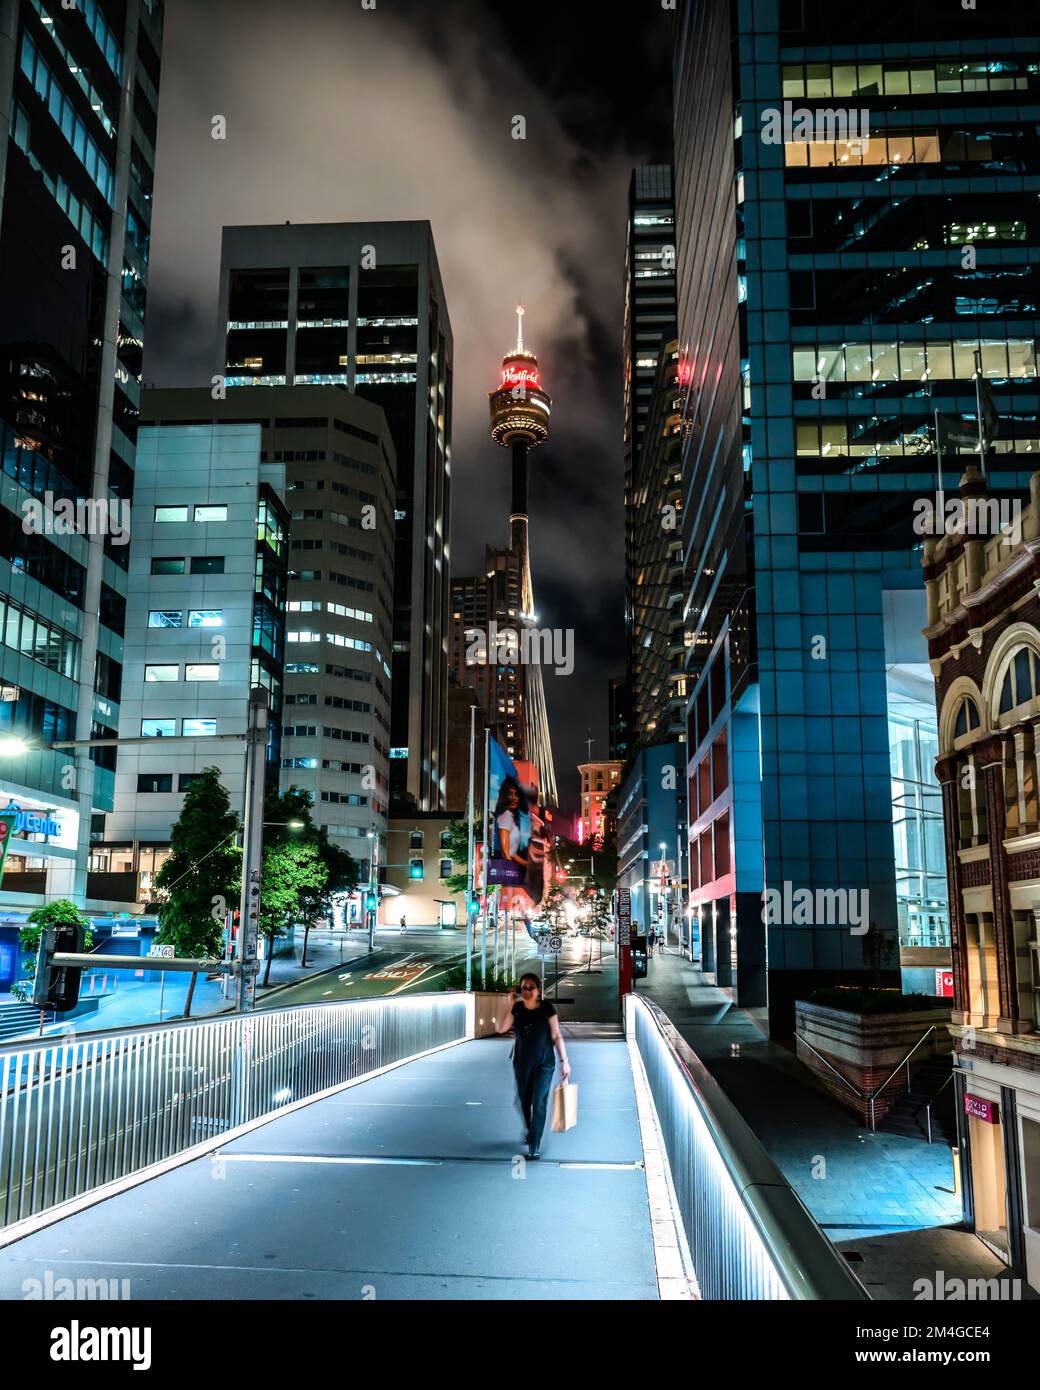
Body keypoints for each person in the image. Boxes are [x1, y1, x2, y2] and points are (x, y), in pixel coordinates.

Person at [495, 972, 570, 1159]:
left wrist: (564, 1061)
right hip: (522, 1063)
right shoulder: (518, 1009)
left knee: (539, 1101)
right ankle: (531, 1131)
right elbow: (501, 1028)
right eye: (524, 988)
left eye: (531, 987)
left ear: (538, 990)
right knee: (523, 1100)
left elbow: (556, 1035)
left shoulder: (547, 1008)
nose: (527, 991)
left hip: (545, 1063)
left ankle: (534, 1145)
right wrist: (510, 1004)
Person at [494, 777, 530, 869]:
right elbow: (505, 852)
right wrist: (511, 872)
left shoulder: (511, 817)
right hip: (504, 868)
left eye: (516, 794)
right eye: (510, 794)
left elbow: (511, 853)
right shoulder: (506, 816)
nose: (514, 798)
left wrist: (527, 864)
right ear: (504, 796)